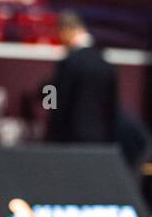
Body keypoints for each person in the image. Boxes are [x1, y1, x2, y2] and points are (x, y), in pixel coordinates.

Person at [44, 12, 119, 145]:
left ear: (66, 31)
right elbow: (112, 107)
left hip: (70, 140)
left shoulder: (69, 63)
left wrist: (50, 132)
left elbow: (55, 100)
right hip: (101, 139)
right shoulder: (106, 64)